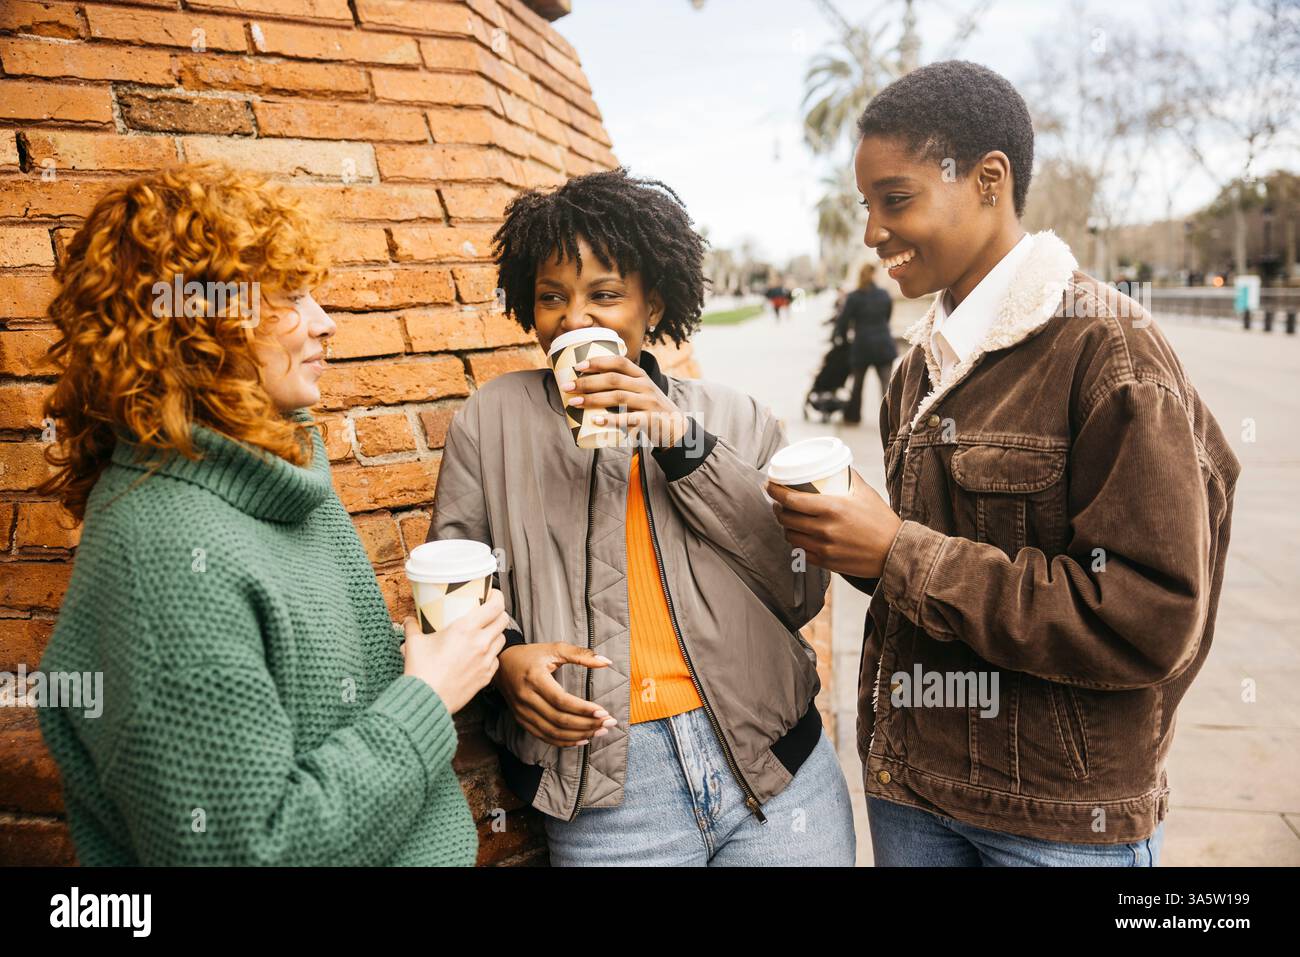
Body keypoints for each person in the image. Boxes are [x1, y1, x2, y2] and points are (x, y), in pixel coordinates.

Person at [767, 61, 1240, 866]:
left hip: (1056, 818)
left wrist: (897, 550)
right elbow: (928, 574)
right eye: (865, 206)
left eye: (896, 199)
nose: (873, 232)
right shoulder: (919, 368)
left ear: (989, 180)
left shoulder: (1110, 350)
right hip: (912, 791)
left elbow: (1150, 617)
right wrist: (855, 539)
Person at [35, 163, 508, 865]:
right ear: (196, 319)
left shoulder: (282, 474)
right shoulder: (160, 553)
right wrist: (428, 695)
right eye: (289, 296)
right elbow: (248, 853)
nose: (326, 321)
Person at [429, 168, 855, 866]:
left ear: (651, 304)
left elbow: (800, 587)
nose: (574, 321)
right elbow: (454, 589)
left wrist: (681, 443)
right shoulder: (490, 422)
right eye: (551, 299)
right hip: (609, 797)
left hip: (773, 771)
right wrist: (505, 658)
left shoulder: (733, 416)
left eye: (604, 295)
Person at [833, 262, 897, 424]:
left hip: (862, 345)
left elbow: (843, 321)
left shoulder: (854, 296)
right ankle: (890, 420)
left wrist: (842, 338)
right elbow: (888, 316)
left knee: (857, 385)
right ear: (874, 275)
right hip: (883, 344)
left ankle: (853, 416)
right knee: (886, 386)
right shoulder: (884, 294)